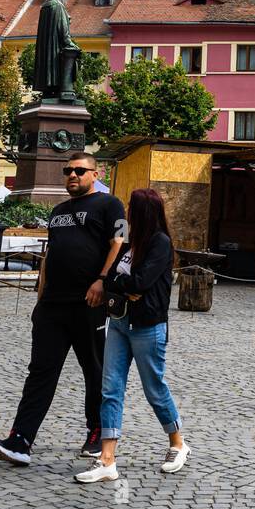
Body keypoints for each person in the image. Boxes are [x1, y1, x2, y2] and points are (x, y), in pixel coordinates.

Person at [0, 156, 125, 467]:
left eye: (79, 171)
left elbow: (119, 243)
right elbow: (49, 256)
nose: (72, 175)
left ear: (95, 173)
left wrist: (102, 281)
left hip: (90, 303)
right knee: (40, 371)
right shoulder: (58, 211)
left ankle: (97, 432)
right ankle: (20, 440)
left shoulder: (110, 205)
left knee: (95, 370)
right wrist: (40, 298)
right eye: (67, 171)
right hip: (52, 305)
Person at [76, 187, 189, 482]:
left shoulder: (159, 243)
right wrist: (121, 283)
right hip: (119, 322)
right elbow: (112, 277)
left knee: (154, 389)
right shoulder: (129, 243)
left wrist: (122, 283)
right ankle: (107, 460)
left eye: (130, 208)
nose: (125, 212)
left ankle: (177, 443)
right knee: (110, 388)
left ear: (141, 212)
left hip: (148, 327)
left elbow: (141, 281)